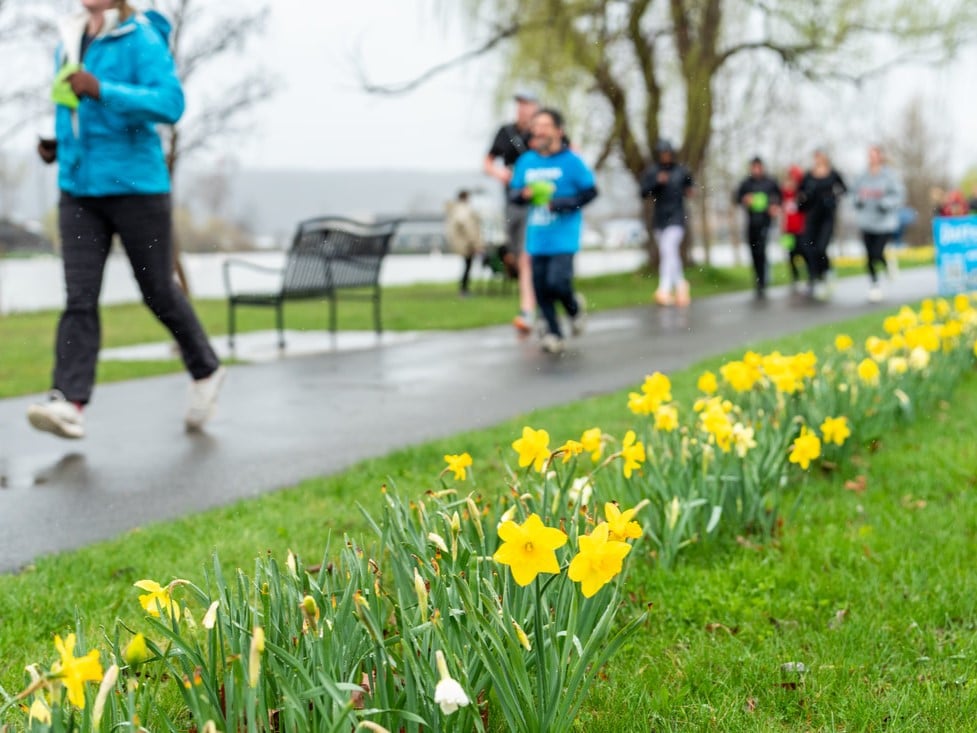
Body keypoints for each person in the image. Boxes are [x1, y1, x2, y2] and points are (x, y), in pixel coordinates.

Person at [26, 0, 225, 440]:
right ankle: (69, 401)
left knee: (157, 290)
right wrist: (57, 144)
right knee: (79, 297)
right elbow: (71, 108)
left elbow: (170, 103)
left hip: (137, 189)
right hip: (79, 190)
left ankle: (205, 368)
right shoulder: (71, 36)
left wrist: (103, 89)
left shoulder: (140, 37)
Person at [509, 108, 597, 354]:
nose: (539, 130)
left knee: (557, 282)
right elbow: (514, 194)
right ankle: (553, 333)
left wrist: (561, 204)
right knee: (540, 287)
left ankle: (573, 309)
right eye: (535, 125)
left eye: (545, 125)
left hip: (564, 235)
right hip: (537, 236)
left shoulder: (572, 161)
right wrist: (523, 194)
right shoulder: (526, 161)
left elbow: (590, 192)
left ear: (559, 131)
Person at [484, 91, 539, 334]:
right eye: (519, 105)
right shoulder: (505, 132)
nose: (522, 109)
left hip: (539, 203)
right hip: (513, 201)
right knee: (517, 257)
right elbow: (488, 162)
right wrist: (501, 174)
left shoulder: (543, 132)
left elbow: (567, 151)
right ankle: (539, 299)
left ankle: (528, 309)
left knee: (528, 258)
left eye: (526, 105)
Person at [640, 140, 694, 306]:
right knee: (670, 254)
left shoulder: (681, 171)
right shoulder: (653, 172)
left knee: (667, 250)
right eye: (662, 153)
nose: (665, 156)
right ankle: (681, 286)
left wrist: (690, 191)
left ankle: (663, 289)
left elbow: (690, 187)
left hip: (677, 217)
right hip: (660, 218)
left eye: (667, 153)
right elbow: (643, 192)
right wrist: (657, 182)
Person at [851, 145, 906, 302]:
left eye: (875, 155)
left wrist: (886, 203)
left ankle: (887, 263)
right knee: (869, 256)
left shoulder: (889, 176)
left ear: (880, 157)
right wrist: (858, 201)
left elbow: (899, 195)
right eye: (870, 155)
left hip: (884, 222)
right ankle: (874, 286)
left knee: (877, 252)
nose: (872, 158)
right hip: (866, 221)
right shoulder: (862, 176)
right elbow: (853, 193)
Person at [798, 149, 847, 300]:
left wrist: (833, 197)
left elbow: (843, 190)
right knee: (808, 248)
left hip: (827, 217)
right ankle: (814, 277)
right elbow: (800, 195)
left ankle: (826, 272)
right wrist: (805, 197)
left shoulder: (833, 175)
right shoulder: (808, 176)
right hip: (812, 217)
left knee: (821, 247)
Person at [734, 157, 782, 299]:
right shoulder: (746, 183)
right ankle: (758, 278)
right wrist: (744, 199)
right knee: (754, 251)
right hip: (751, 222)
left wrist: (774, 206)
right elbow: (737, 198)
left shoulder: (770, 182)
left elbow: (779, 197)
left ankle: (763, 279)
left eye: (758, 167)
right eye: (753, 167)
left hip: (766, 222)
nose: (756, 170)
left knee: (761, 249)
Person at [444, 190, 483, 296]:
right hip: (467, 244)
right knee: (467, 266)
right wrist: (476, 244)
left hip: (462, 243)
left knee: (467, 266)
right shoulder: (464, 210)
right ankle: (464, 289)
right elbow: (469, 228)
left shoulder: (455, 209)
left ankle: (464, 289)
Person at [779, 165, 808, 293]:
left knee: (804, 253)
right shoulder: (783, 194)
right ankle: (795, 278)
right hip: (787, 230)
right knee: (790, 254)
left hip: (801, 230)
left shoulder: (801, 194)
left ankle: (810, 276)